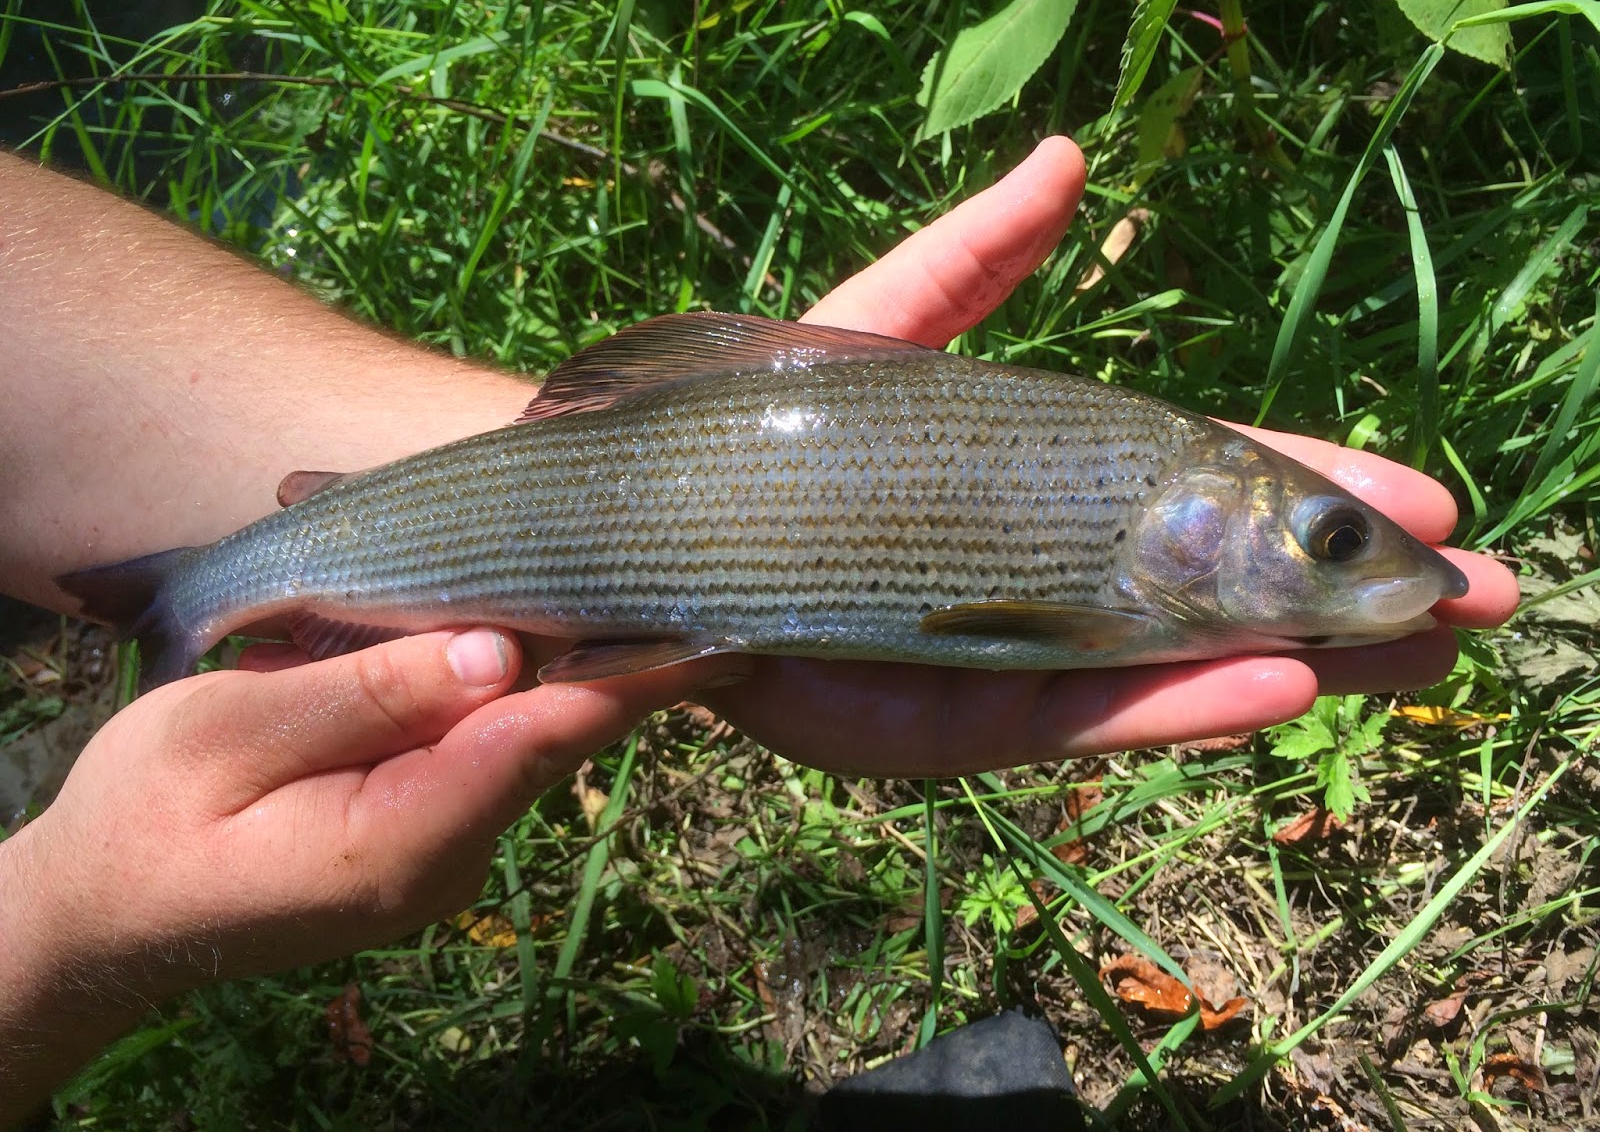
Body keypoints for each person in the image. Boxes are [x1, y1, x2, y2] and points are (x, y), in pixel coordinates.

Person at [0, 139, 1518, 1123]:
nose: (1372, 569)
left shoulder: (1151, 552)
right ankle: (196, 589)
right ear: (1209, 520)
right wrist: (60, 929)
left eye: (1334, 541)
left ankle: (201, 581)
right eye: (1330, 539)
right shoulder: (1124, 575)